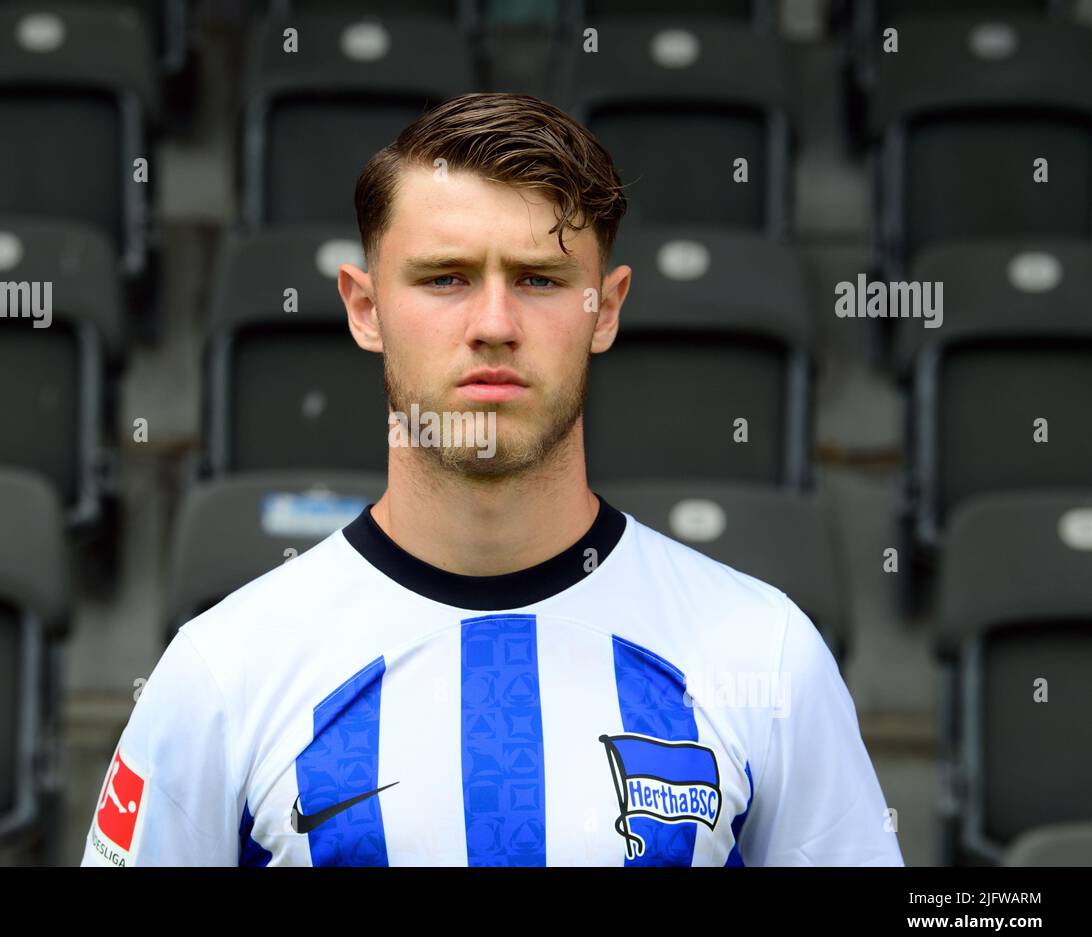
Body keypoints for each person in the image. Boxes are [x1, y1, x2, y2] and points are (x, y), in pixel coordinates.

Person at [82, 92, 904, 867]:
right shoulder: (224, 672)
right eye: (445, 277)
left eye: (541, 281)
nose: (494, 325)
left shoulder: (762, 652)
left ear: (606, 309)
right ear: (363, 307)